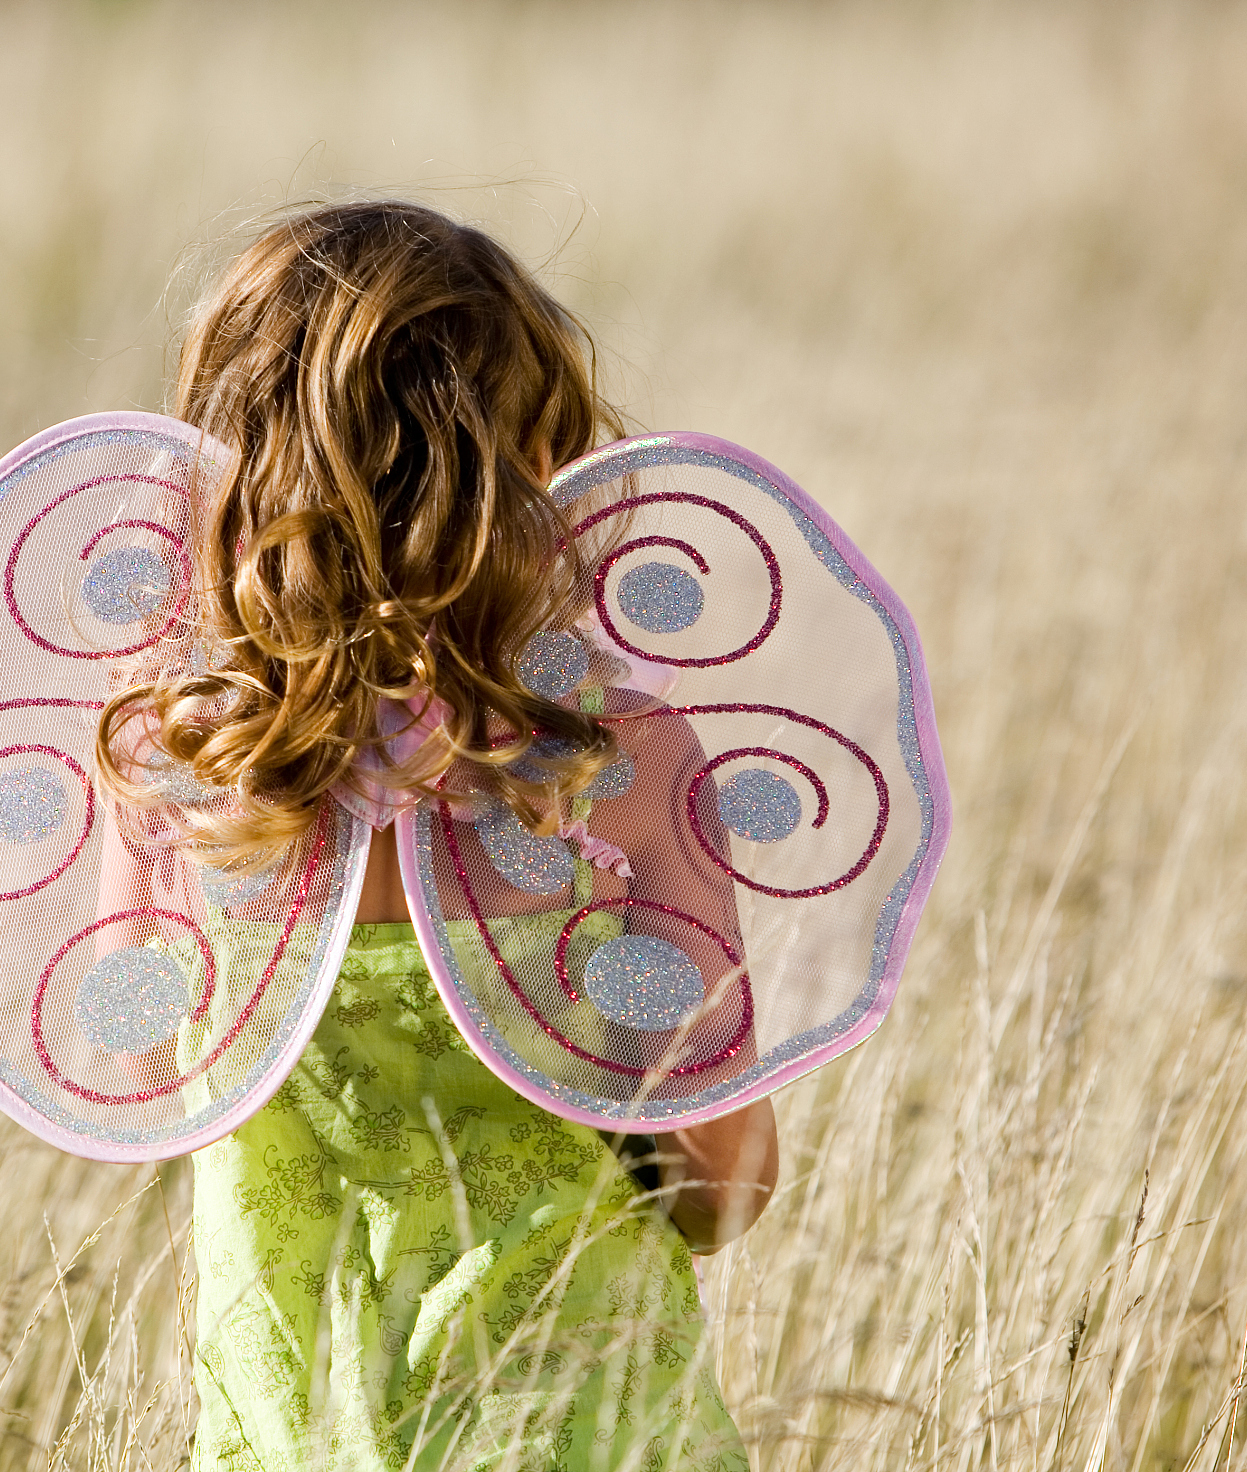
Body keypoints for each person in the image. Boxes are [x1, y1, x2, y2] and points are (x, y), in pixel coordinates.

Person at [95, 200, 778, 1471]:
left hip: (296, 1419)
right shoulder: (612, 762)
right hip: (584, 1413)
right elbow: (722, 1178)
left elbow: (140, 1083)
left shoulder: (180, 767)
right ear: (520, 472)